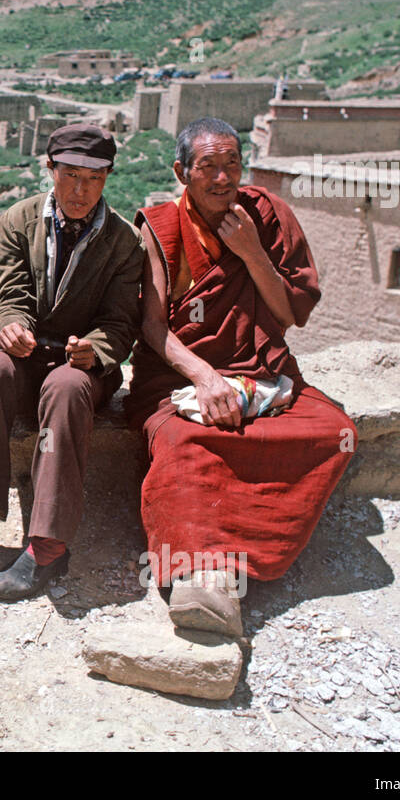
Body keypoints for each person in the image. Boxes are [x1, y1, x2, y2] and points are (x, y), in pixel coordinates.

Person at [128, 117, 356, 637]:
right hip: (179, 376)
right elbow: (153, 325)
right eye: (207, 166)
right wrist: (206, 379)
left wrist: (252, 252)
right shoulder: (159, 226)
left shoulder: (268, 217)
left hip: (260, 372)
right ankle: (200, 574)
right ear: (182, 172)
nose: (223, 178)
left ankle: (245, 558)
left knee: (329, 431)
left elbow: (291, 313)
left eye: (232, 164)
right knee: (186, 440)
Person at [0, 124, 145, 600]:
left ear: (107, 179)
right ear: (50, 170)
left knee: (66, 387)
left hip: (77, 366)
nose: (80, 191)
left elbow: (120, 324)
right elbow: (11, 295)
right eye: (70, 175)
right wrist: (14, 326)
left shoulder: (124, 242)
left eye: (93, 180)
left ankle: (49, 546)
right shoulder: (19, 221)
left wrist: (93, 351)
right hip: (27, 355)